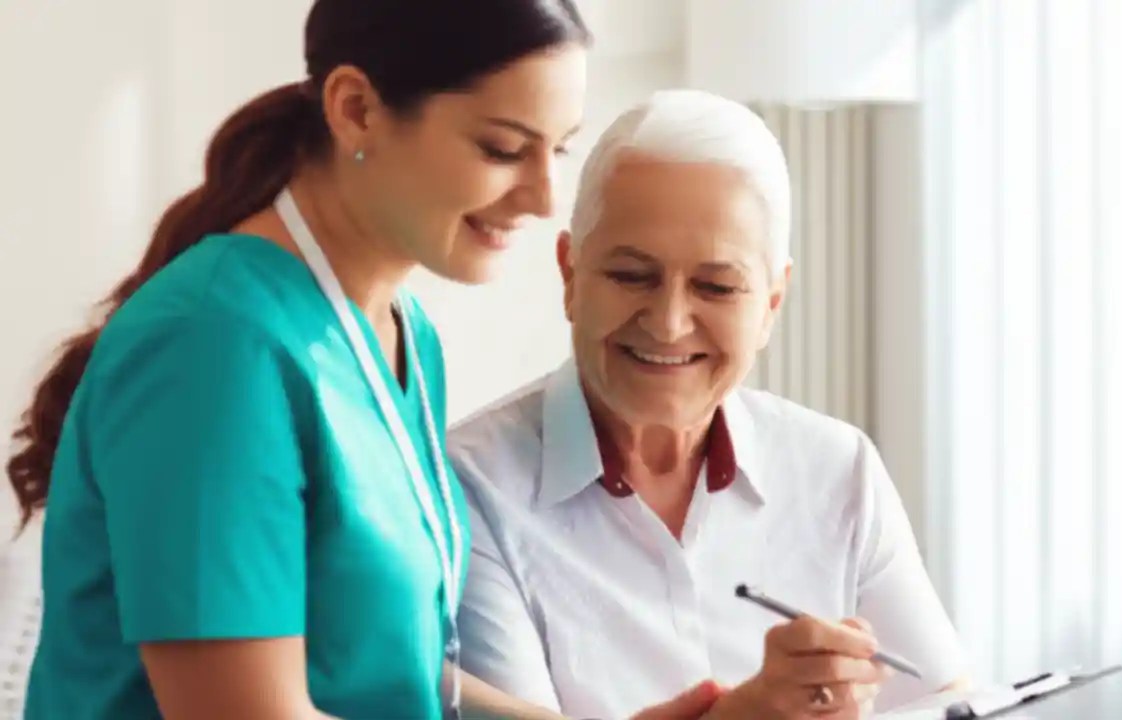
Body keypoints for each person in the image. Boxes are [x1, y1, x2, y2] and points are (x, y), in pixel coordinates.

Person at [5, 3, 722, 719]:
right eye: (504, 149)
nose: (543, 199)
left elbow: (388, 675)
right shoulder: (214, 348)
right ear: (356, 110)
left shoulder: (402, 333)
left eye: (558, 150)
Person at [449, 89, 972, 720]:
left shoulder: (838, 468)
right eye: (631, 276)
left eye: (716, 286)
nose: (669, 324)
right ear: (570, 275)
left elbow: (947, 702)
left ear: (772, 304)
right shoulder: (468, 484)